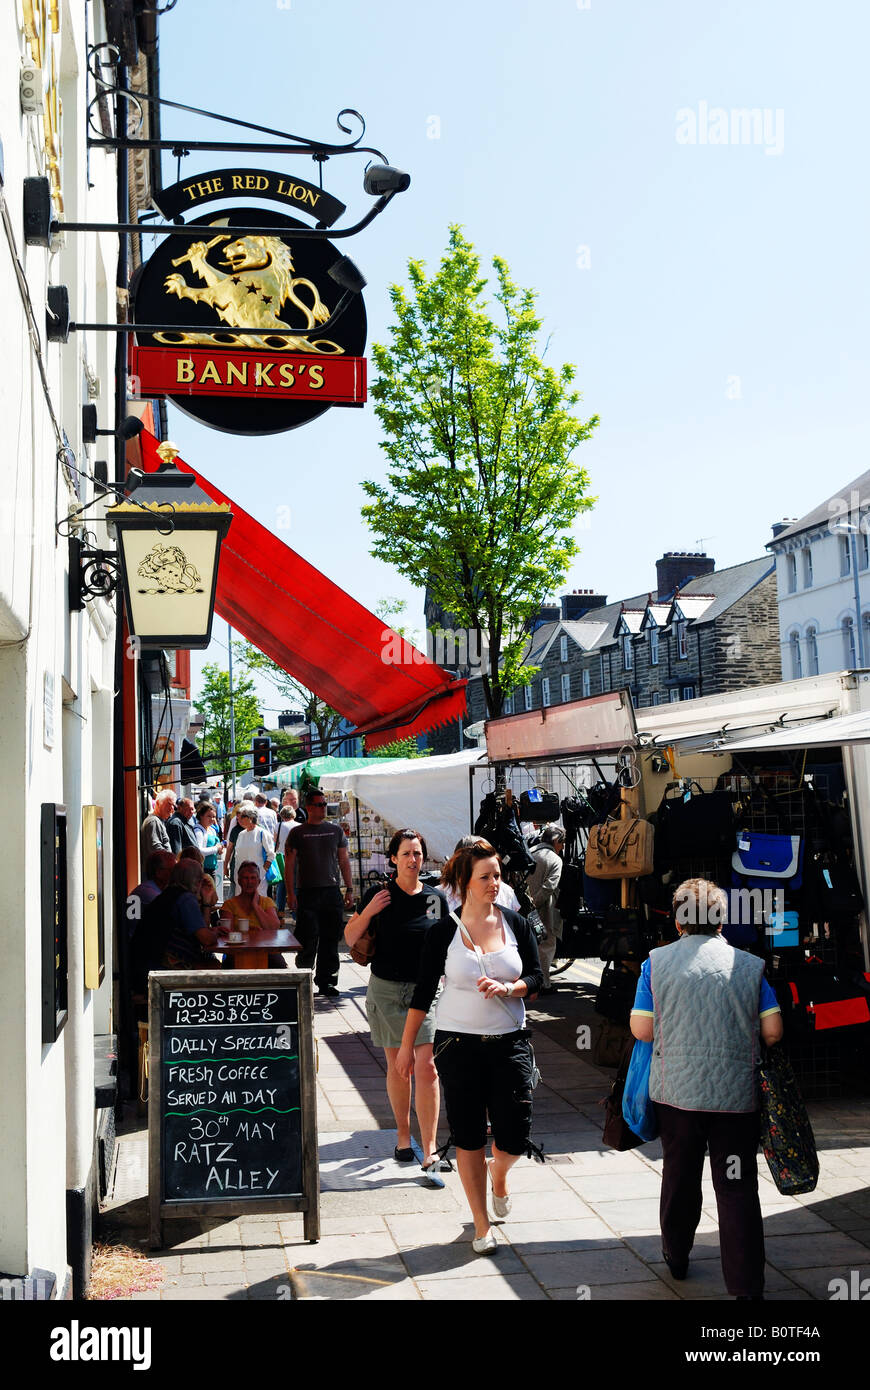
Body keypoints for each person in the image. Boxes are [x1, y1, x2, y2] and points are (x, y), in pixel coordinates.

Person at [629, 877, 784, 1300]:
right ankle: (746, 1286)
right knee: (736, 1188)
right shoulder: (749, 966)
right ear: (721, 921)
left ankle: (676, 1254)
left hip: (677, 1097)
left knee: (680, 1176)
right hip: (735, 1100)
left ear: (678, 922)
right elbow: (772, 1031)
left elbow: (642, 1029)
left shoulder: (655, 964)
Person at [397, 841, 542, 1253]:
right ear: (465, 883)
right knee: (468, 1134)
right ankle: (482, 1225)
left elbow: (536, 978)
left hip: (510, 1042)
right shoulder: (444, 931)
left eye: (497, 875)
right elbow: (423, 993)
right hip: (457, 1045)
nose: (495, 883)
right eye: (486, 877)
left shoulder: (516, 923)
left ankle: (500, 1173)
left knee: (515, 1134)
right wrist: (407, 1047)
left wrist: (510, 987)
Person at [345, 830, 450, 1182]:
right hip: (387, 990)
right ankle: (404, 1139)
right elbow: (349, 938)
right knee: (397, 1066)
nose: (412, 859)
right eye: (406, 853)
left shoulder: (435, 899)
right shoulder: (380, 894)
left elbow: (445, 944)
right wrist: (368, 911)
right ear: (393, 858)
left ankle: (431, 1146)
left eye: (417, 853)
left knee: (427, 1067)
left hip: (425, 993)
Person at [283, 788, 354, 998]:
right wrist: (290, 893)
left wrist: (349, 889)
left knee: (330, 938)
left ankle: (327, 982)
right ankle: (303, 976)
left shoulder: (335, 831)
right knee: (308, 936)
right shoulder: (297, 833)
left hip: (331, 891)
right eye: (319, 804)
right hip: (307, 892)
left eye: (325, 804)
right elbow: (289, 865)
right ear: (309, 807)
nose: (323, 808)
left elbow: (344, 861)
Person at [222, 860, 286, 968]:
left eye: (253, 878)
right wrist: (252, 935)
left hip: (266, 950)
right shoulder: (229, 904)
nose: (249, 882)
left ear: (259, 881)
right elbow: (226, 934)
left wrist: (255, 906)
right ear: (239, 881)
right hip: (238, 952)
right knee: (228, 965)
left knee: (279, 964)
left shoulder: (266, 902)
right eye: (245, 878)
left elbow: (273, 927)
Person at [526, 826, 564, 994]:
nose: (562, 847)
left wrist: (526, 902)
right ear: (556, 842)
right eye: (562, 843)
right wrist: (535, 902)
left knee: (528, 942)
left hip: (524, 905)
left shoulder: (529, 852)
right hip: (543, 909)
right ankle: (544, 983)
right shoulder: (555, 860)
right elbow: (550, 886)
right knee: (546, 943)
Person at [439, 836, 521, 913]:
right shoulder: (438, 897)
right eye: (484, 877)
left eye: (496, 876)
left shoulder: (506, 892)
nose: (494, 883)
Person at [127, 849, 175, 936]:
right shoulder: (150, 894)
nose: (176, 874)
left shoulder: (146, 889)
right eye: (173, 870)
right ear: (159, 873)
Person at [232, 802, 275, 896]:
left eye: (242, 816)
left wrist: (262, 872)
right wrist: (236, 875)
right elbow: (237, 856)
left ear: (251, 818)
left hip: (257, 879)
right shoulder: (241, 834)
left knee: (257, 904)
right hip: (241, 880)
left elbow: (271, 854)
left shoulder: (262, 833)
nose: (239, 819)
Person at [139, 789, 176, 863]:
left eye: (173, 805)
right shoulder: (154, 821)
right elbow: (156, 848)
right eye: (169, 804)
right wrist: (171, 861)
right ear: (158, 803)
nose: (172, 808)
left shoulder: (159, 821)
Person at [275, 807, 296, 913]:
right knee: (296, 883)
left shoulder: (278, 826)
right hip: (296, 858)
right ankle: (296, 910)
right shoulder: (299, 826)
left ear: (282, 815)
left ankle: (280, 910)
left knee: (282, 884)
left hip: (281, 857)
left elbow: (275, 842)